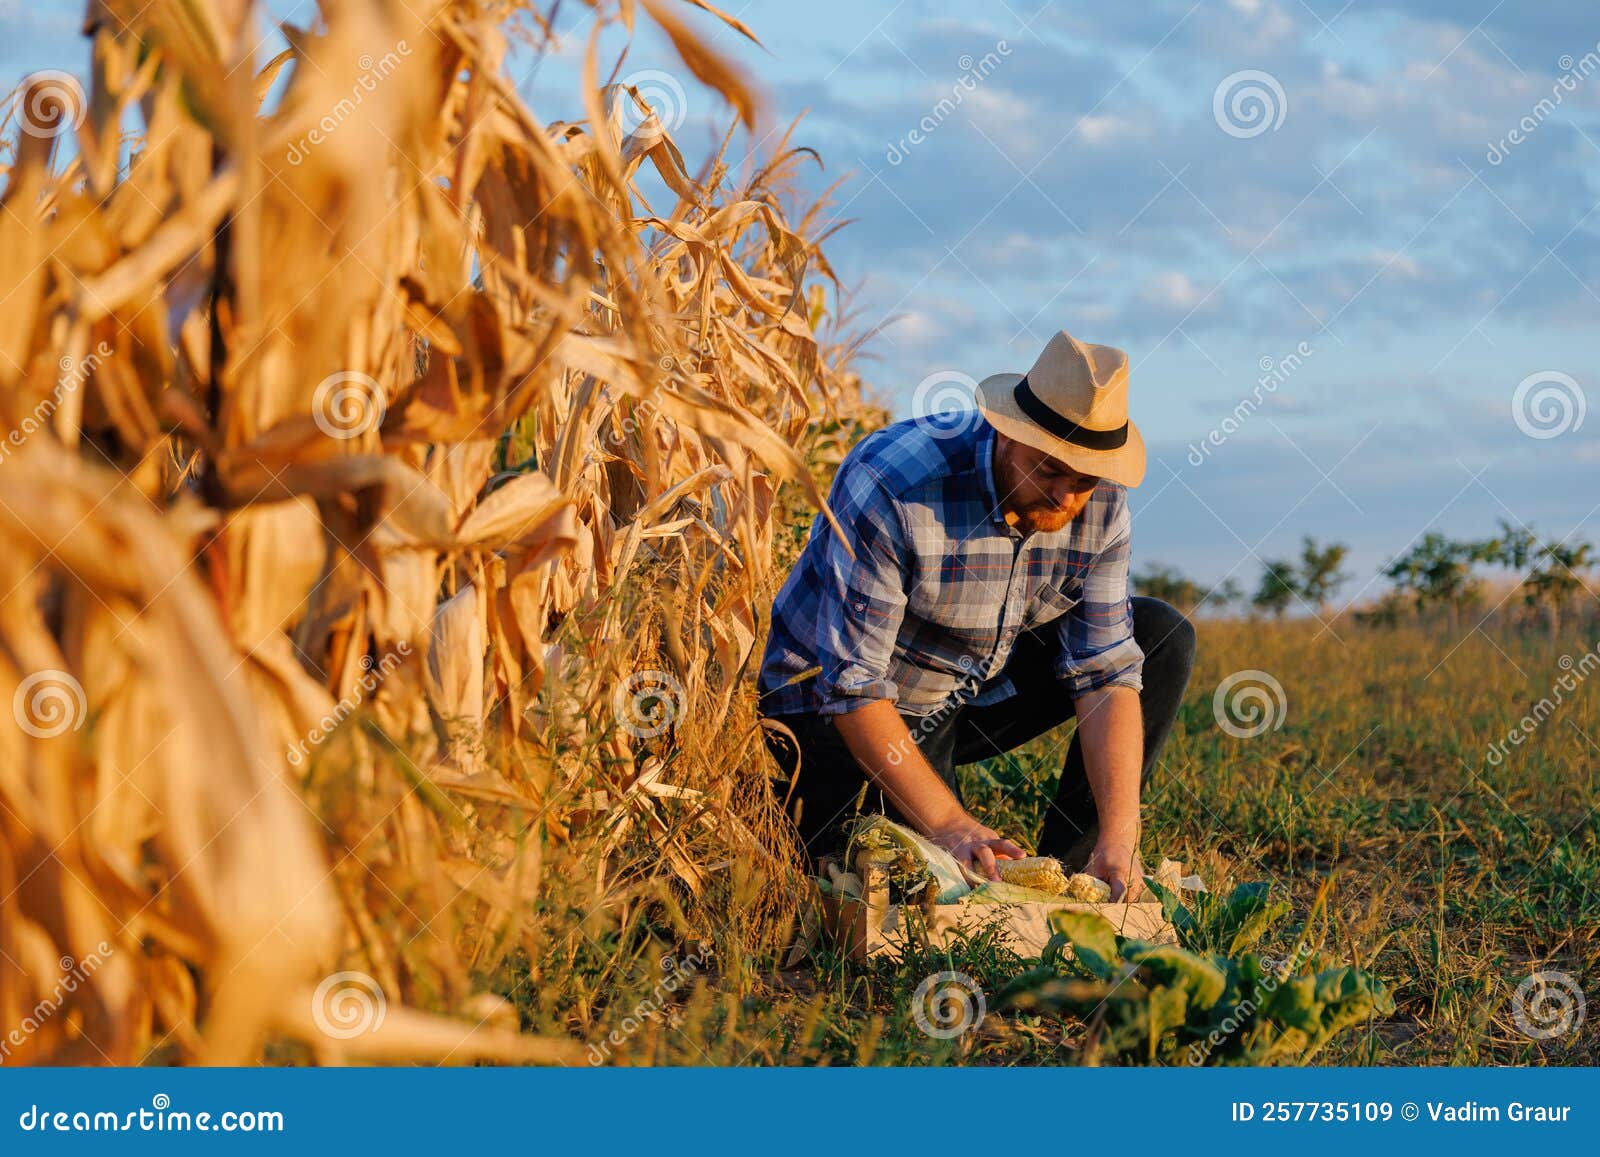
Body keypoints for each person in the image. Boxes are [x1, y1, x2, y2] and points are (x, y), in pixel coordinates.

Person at [757, 328, 1196, 900]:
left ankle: (1086, 873)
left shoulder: (1102, 502)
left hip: (966, 692)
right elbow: (853, 686)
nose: (1066, 498)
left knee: (1161, 635)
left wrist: (1121, 835)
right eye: (1049, 471)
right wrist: (950, 824)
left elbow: (1105, 671)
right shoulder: (896, 483)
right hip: (838, 716)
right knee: (875, 883)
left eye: (1083, 481)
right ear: (1008, 433)